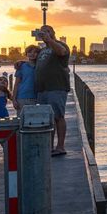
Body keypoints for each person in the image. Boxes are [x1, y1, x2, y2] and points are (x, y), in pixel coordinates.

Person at [34, 25, 71, 157]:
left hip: (56, 87)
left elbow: (62, 52)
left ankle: (60, 147)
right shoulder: (43, 50)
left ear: (53, 33)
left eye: (47, 31)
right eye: (42, 32)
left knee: (58, 117)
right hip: (42, 89)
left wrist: (50, 40)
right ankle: (49, 147)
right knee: (47, 118)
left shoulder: (60, 45)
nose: (44, 34)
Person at [12, 45, 40, 112]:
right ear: (26, 54)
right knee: (22, 120)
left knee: (34, 121)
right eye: (30, 52)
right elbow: (16, 84)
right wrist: (14, 100)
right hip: (22, 98)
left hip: (37, 98)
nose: (32, 54)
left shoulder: (40, 66)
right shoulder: (21, 66)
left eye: (35, 52)